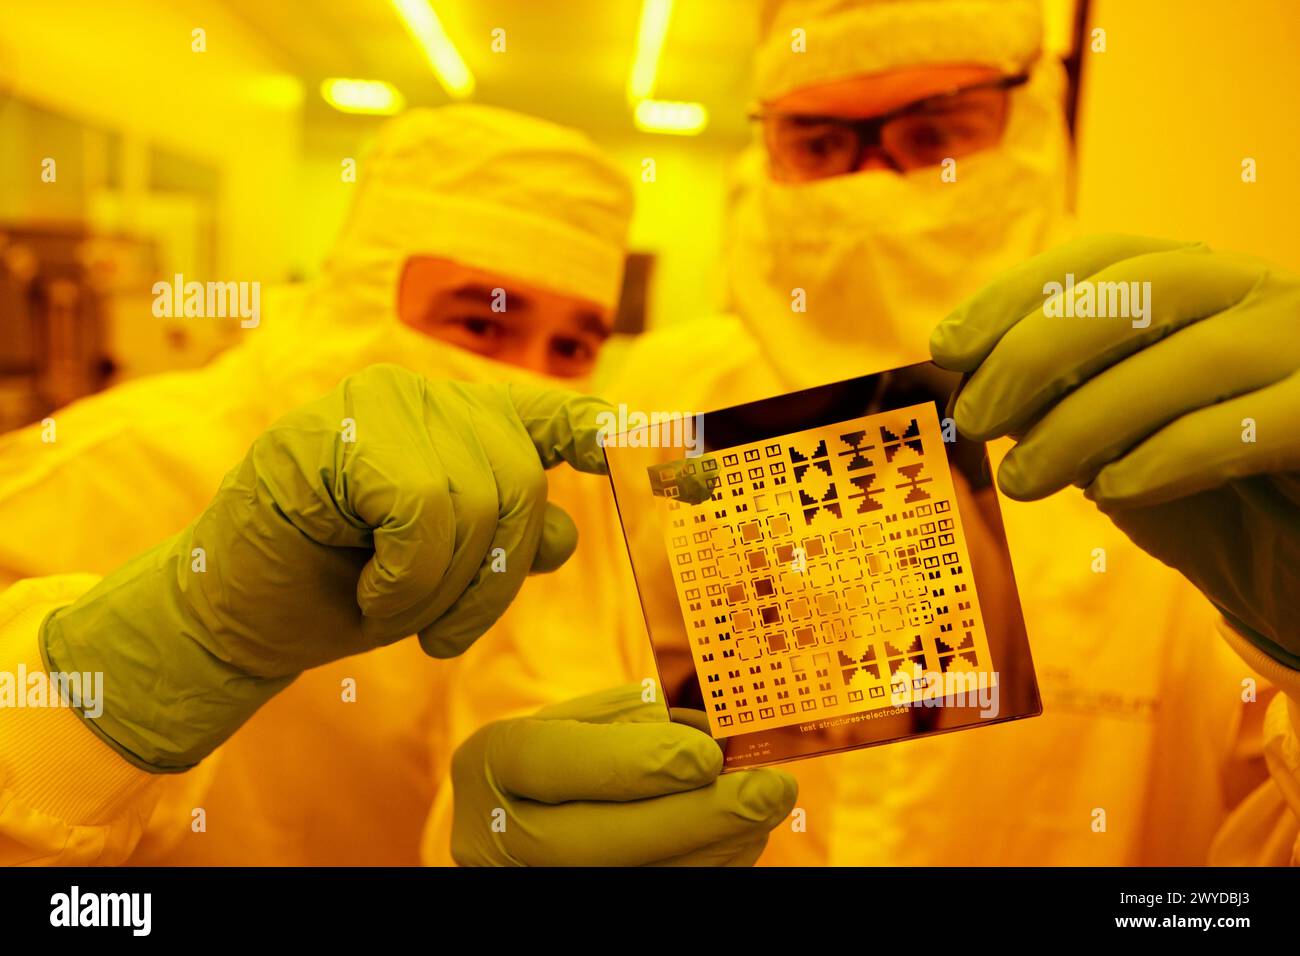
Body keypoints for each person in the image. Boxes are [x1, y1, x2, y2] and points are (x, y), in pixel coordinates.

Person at [425, 0, 1298, 866]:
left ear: (1030, 119)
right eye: (821, 144)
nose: (876, 182)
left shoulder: (1166, 399)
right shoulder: (669, 399)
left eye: (935, 134)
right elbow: (536, 706)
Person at [0, 105, 797, 865]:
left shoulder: (568, 491)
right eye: (481, 325)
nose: (524, 381)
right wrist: (151, 662)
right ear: (358, 299)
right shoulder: (102, 471)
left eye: (570, 347)